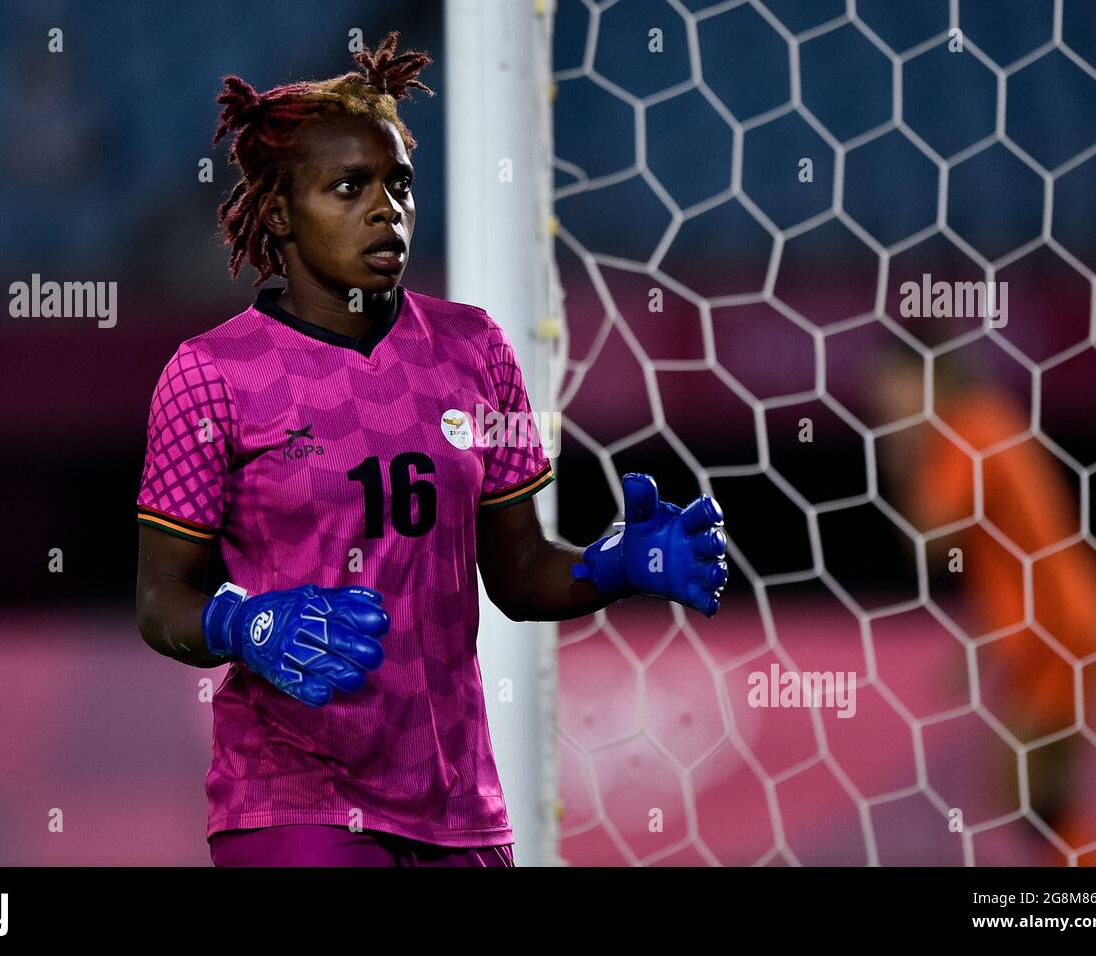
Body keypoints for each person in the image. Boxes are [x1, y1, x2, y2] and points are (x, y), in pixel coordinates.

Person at [133, 33, 728, 867]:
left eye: (400, 186)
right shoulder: (209, 375)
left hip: (457, 807)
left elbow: (520, 572)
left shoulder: (478, 349)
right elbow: (161, 600)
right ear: (278, 212)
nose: (388, 210)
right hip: (289, 795)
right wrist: (244, 620)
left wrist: (615, 566)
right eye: (350, 188)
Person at [876, 343, 1096, 865]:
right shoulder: (987, 422)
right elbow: (1007, 553)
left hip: (1061, 630)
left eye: (891, 392)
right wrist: (983, 645)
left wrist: (902, 452)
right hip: (1057, 624)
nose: (883, 406)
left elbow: (931, 542)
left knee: (1032, 793)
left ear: (929, 383)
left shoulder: (969, 432)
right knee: (1037, 801)